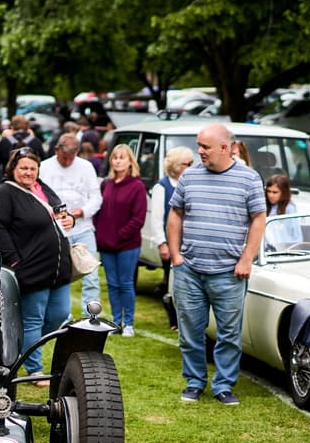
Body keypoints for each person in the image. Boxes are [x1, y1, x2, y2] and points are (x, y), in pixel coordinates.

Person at [167, 124, 267, 406]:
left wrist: (246, 258)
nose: (199, 151)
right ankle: (194, 382)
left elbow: (259, 219)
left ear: (225, 147)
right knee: (190, 333)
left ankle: (223, 385)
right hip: (189, 270)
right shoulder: (189, 177)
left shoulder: (249, 178)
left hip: (229, 272)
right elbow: (176, 214)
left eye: (205, 146)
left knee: (229, 335)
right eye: (198, 145)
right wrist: (175, 255)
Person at [0, 147, 75, 385]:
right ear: (13, 169)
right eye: (23, 168)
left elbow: (60, 212)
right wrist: (14, 258)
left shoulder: (42, 188)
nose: (28, 172)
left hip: (58, 267)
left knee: (59, 314)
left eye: (32, 168)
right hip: (32, 267)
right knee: (33, 319)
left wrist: (70, 219)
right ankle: (34, 369)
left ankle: (22, 349)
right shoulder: (4, 193)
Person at [38, 134, 103, 314]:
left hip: (83, 228)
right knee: (59, 276)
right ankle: (61, 317)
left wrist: (81, 211)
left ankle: (91, 315)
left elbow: (96, 198)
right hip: (56, 230)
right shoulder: (44, 167)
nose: (67, 162)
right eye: (64, 157)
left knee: (91, 275)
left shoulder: (86, 167)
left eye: (71, 158)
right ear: (56, 150)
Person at [95, 144, 146, 336]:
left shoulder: (137, 186)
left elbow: (138, 219)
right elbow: (98, 211)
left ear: (130, 161)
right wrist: (100, 233)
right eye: (115, 157)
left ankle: (129, 323)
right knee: (112, 284)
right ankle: (116, 322)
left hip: (128, 245)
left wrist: (120, 235)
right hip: (106, 244)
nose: (117, 161)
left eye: (122, 157)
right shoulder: (106, 184)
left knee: (125, 283)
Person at [148, 146, 194, 310]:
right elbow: (156, 218)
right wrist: (162, 243)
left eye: (192, 163)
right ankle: (173, 314)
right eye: (187, 164)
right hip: (172, 243)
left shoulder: (191, 184)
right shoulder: (162, 186)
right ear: (175, 165)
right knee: (172, 282)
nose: (191, 167)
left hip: (190, 242)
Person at [262, 173, 301, 246]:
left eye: (275, 192)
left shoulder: (289, 208)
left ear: (283, 192)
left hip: (284, 248)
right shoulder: (264, 205)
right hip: (266, 248)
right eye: (269, 191)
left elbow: (296, 234)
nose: (271, 195)